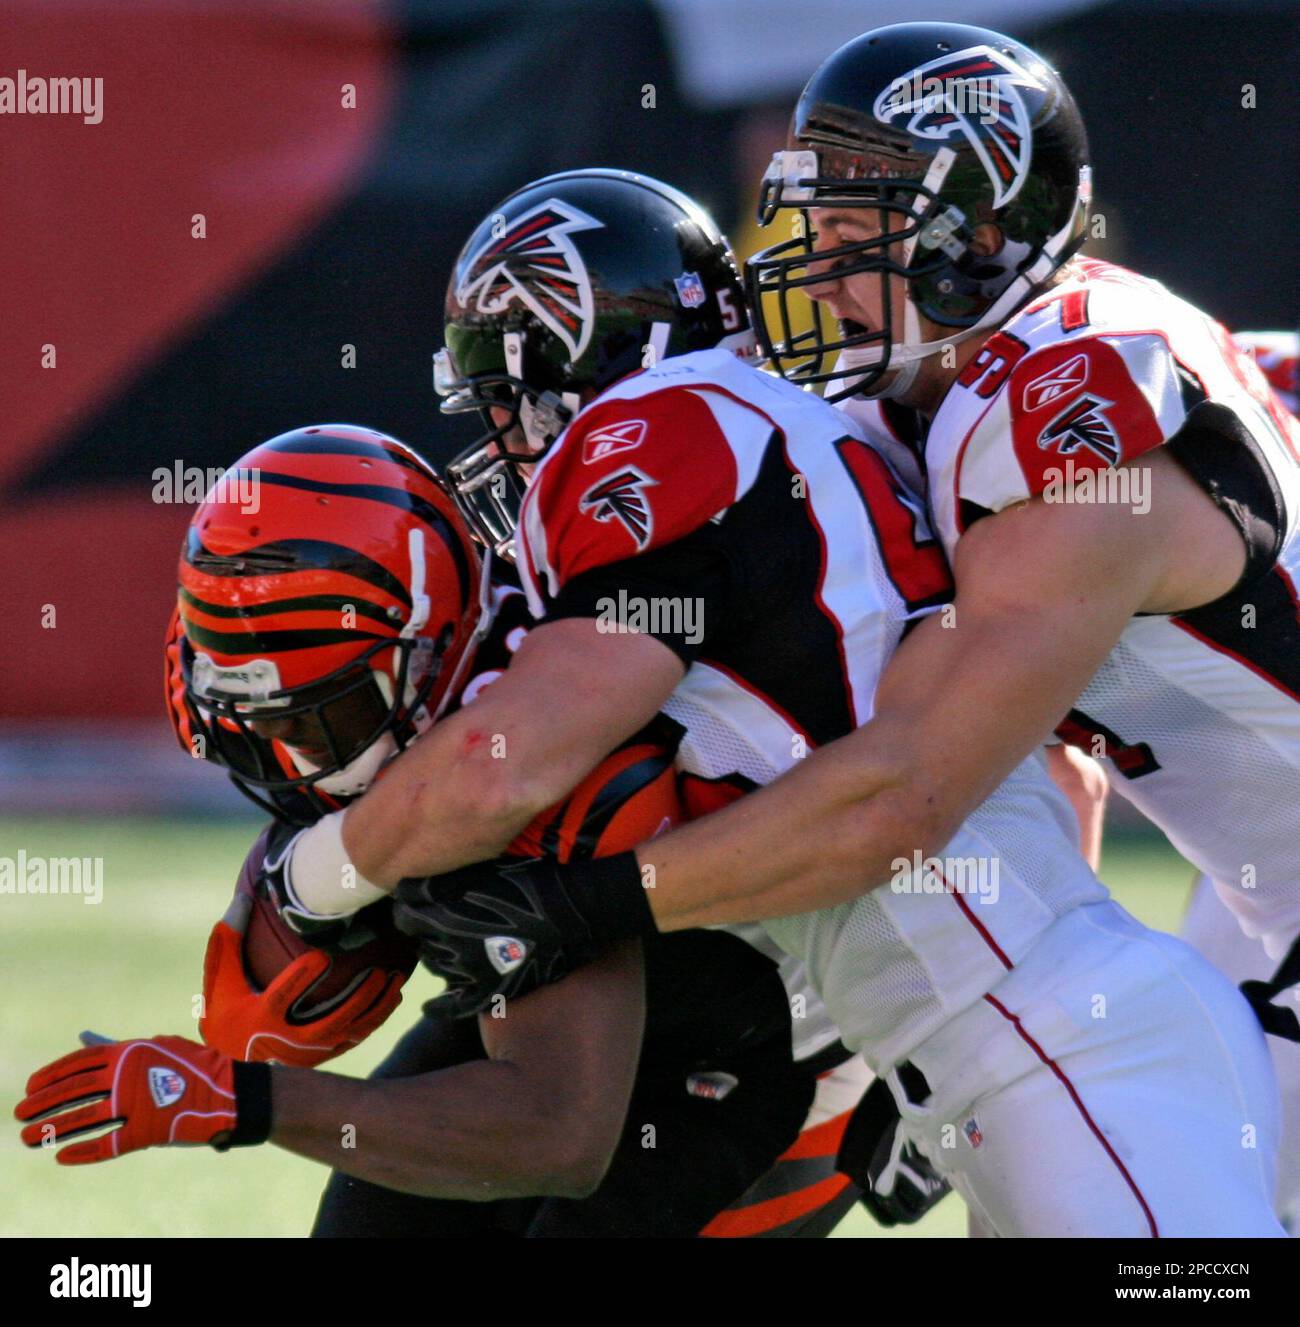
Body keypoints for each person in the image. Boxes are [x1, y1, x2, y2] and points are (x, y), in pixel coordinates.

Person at [236, 170, 1280, 1235]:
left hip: (1048, 1049)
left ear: (567, 346)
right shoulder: (837, 433)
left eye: (503, 390)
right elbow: (1034, 768)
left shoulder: (659, 430)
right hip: (1016, 1041)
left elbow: (506, 762)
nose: (502, 432)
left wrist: (316, 879)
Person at [17, 424, 876, 1239]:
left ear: (426, 657)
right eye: (257, 718)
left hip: (774, 1051)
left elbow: (555, 1134)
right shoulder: (430, 706)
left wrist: (249, 1101)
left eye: (321, 716)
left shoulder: (536, 762)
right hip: (570, 1002)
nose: (289, 753)